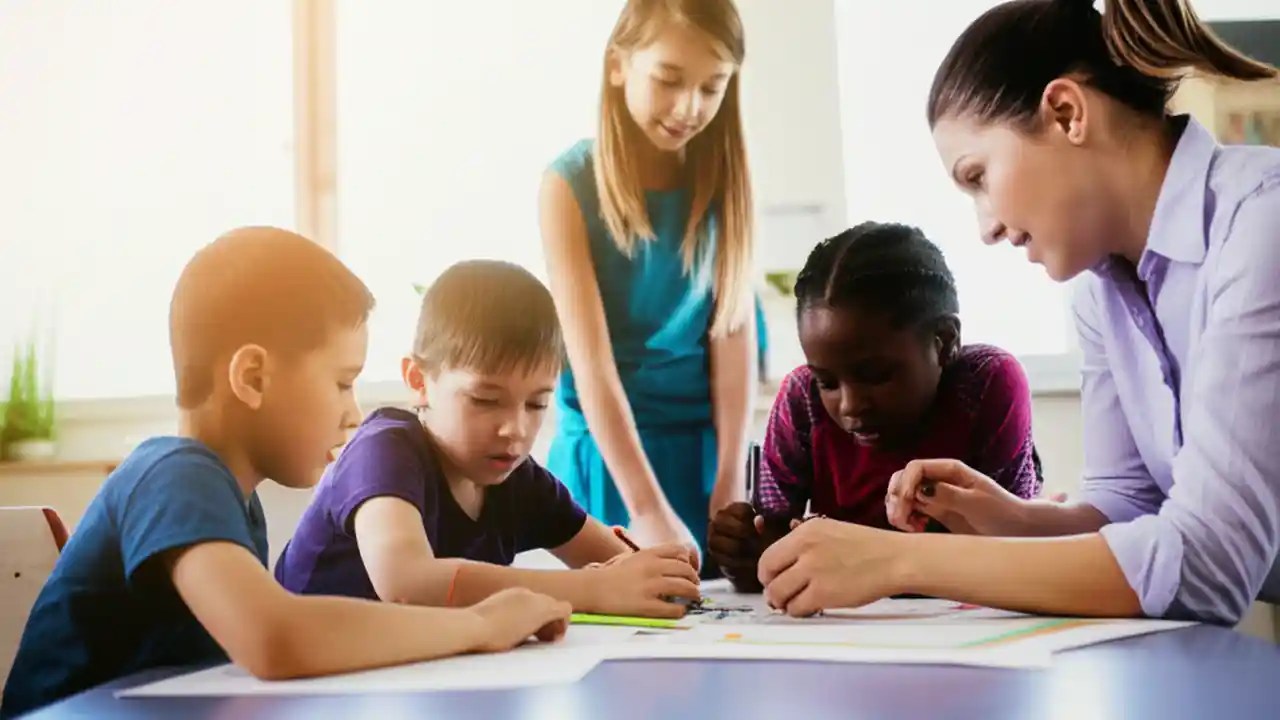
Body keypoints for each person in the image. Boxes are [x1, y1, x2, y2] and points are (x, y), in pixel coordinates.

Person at [758, 0, 1280, 625]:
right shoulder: (1100, 285)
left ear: (1066, 113)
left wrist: (901, 559)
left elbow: (1206, 565)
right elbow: (1134, 509)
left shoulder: (1260, 225)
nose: (987, 227)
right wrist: (1010, 518)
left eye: (978, 177)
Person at [0, 229, 570, 718]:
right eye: (342, 382)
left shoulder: (233, 501)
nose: (353, 411)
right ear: (252, 375)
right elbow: (276, 637)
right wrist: (478, 625)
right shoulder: (172, 475)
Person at [275, 260, 699, 618]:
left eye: (536, 405)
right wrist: (592, 589)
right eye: (484, 400)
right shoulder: (383, 450)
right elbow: (407, 584)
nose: (514, 429)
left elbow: (617, 566)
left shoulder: (519, 480)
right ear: (419, 381)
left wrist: (657, 571)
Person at [539, 0, 756, 571]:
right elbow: (591, 367)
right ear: (618, 65)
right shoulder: (569, 184)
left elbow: (732, 333)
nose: (690, 107)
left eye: (712, 88)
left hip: (702, 457)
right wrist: (647, 507)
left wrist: (730, 479)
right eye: (668, 80)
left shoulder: (723, 181)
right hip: (611, 462)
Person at [709, 222, 1043, 590]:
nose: (850, 406)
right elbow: (769, 541)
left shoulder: (985, 384)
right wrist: (743, 552)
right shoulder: (802, 398)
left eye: (876, 375)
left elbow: (1016, 547)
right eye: (828, 382)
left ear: (945, 341)